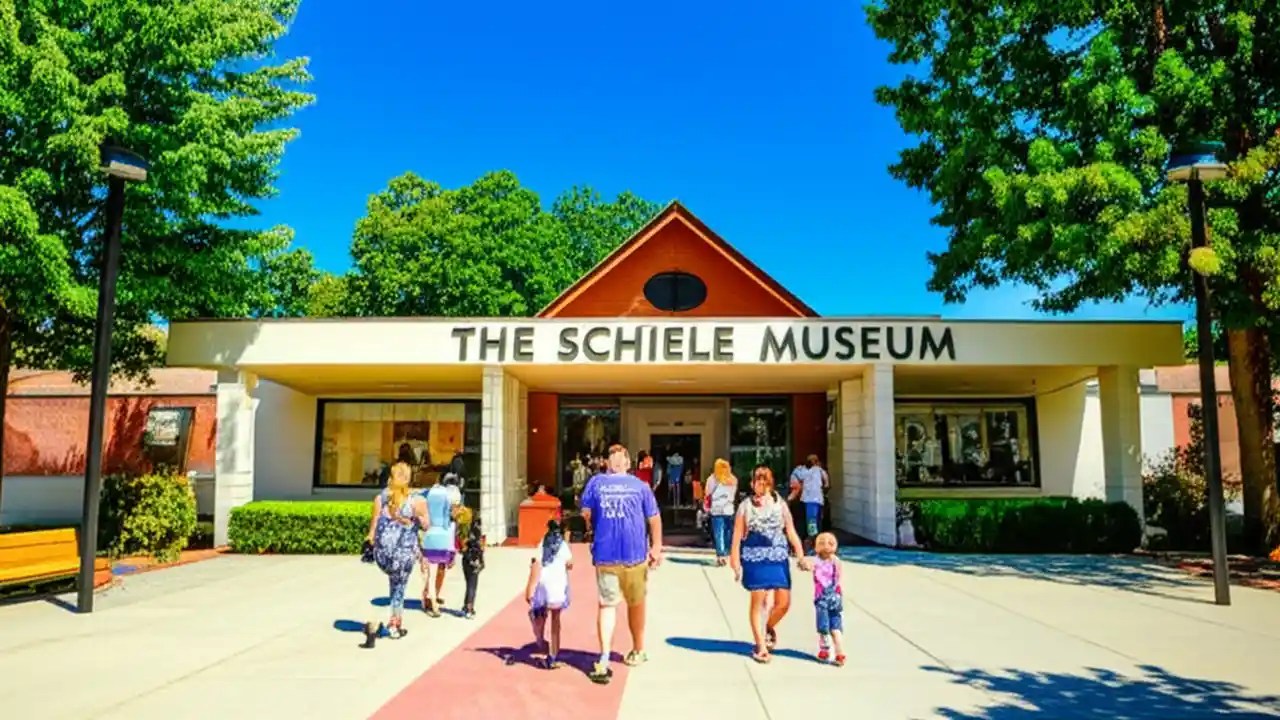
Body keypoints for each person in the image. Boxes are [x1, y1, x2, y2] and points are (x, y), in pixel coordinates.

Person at [579, 443, 663, 685]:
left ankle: (605, 655)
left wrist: (593, 525)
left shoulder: (596, 483)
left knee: (607, 605)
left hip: (607, 554)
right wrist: (656, 547)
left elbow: (585, 514)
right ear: (627, 463)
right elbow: (654, 519)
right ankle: (637, 649)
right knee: (634, 604)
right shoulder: (640, 486)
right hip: (633, 554)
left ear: (608, 463)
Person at [731, 465, 810, 664]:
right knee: (759, 600)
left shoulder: (779, 503)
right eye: (758, 482)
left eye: (765, 482)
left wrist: (800, 555)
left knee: (783, 602)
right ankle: (761, 646)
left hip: (777, 556)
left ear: (770, 484)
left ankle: (767, 626)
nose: (761, 486)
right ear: (752, 484)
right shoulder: (745, 506)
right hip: (754, 557)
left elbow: (790, 530)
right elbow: (738, 534)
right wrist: (735, 559)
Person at [365, 462, 429, 643]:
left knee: (393, 585)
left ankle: (391, 621)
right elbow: (426, 526)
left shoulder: (381, 498)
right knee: (399, 587)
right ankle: (394, 625)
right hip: (403, 554)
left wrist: (371, 545)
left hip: (383, 555)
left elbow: (373, 528)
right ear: (408, 478)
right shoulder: (416, 501)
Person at [524, 518, 574, 669]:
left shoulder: (543, 543)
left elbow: (535, 563)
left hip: (543, 584)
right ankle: (553, 655)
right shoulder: (563, 546)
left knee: (540, 611)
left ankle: (539, 638)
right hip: (558, 585)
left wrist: (529, 586)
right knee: (555, 621)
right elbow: (570, 563)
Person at [420, 474, 463, 616]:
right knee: (440, 569)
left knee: (431, 572)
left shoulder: (428, 496)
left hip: (430, 536)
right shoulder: (451, 497)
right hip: (445, 537)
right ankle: (433, 599)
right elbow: (454, 517)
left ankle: (429, 597)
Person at [811, 532, 846, 666]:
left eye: (830, 543)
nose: (826, 546)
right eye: (822, 543)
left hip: (822, 598)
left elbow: (810, 567)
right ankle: (840, 653)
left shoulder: (817, 561)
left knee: (823, 626)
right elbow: (838, 578)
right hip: (836, 596)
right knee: (835, 626)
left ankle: (825, 650)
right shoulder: (836, 560)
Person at [703, 459, 738, 566]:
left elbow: (707, 493)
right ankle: (725, 553)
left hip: (716, 509)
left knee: (719, 533)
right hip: (728, 509)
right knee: (728, 532)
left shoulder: (712, 479)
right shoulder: (732, 479)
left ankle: (721, 555)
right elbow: (733, 493)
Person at [788, 454, 829, 542]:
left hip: (810, 500)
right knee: (815, 521)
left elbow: (797, 478)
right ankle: (816, 539)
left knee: (812, 521)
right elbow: (826, 484)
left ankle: (812, 540)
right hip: (817, 500)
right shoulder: (821, 471)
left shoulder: (804, 471)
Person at [461, 515, 484, 619]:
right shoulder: (477, 534)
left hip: (466, 559)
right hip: (474, 560)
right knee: (472, 586)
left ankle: (466, 606)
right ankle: (469, 608)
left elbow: (463, 547)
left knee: (468, 584)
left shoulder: (465, 532)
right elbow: (479, 548)